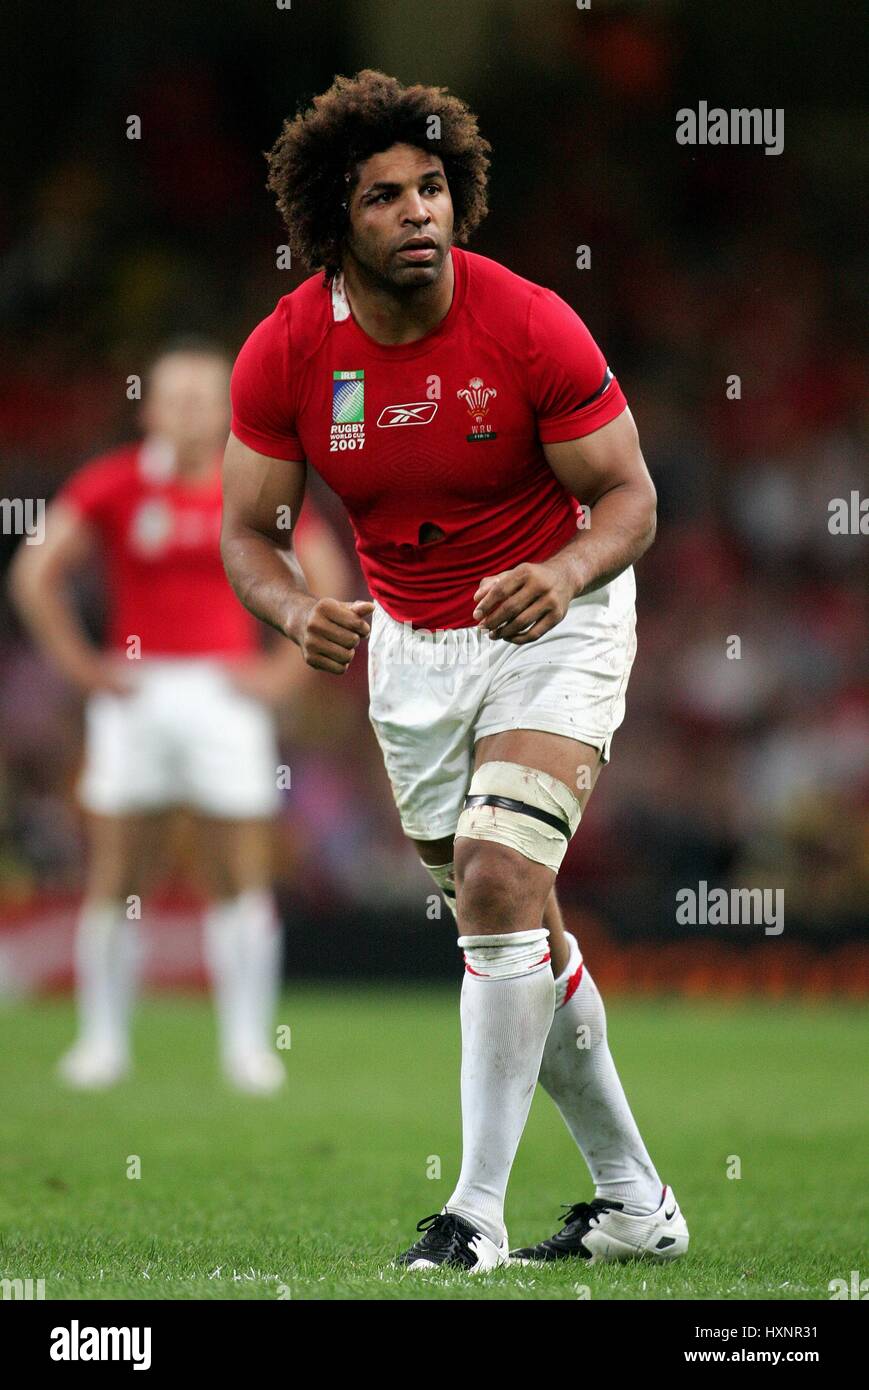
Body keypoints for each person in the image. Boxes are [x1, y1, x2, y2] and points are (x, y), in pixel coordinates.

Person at [221, 70, 689, 1265]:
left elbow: (630, 494)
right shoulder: (284, 352)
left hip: (555, 623)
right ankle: (635, 1204)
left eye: (431, 188)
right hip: (410, 651)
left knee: (490, 888)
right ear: (336, 220)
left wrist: (568, 573)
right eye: (385, 197)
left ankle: (470, 1214)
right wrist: (287, 609)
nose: (418, 212)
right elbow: (246, 532)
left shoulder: (526, 320)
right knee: (514, 919)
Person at [10, 341, 351, 1095]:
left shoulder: (258, 485)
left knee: (238, 871)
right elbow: (35, 571)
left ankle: (247, 1049)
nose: (192, 409)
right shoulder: (114, 482)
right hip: (137, 691)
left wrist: (284, 674)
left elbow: (328, 580)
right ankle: (101, 1044)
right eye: (177, 396)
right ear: (148, 407)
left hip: (225, 694)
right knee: (117, 872)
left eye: (206, 396)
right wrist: (81, 669)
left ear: (229, 407)